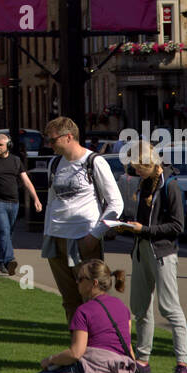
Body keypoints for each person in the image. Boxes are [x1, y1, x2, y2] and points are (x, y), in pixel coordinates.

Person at [115, 140, 187, 373]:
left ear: (150, 163)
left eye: (139, 167)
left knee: (170, 308)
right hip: (141, 251)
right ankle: (142, 360)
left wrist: (144, 229)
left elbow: (178, 226)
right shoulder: (146, 182)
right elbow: (142, 220)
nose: (135, 172)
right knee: (140, 308)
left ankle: (183, 364)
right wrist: (126, 225)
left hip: (162, 253)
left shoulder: (170, 186)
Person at [40, 116, 123, 322]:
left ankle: (98, 346)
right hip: (56, 238)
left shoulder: (94, 162)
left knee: (91, 298)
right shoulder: (55, 162)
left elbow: (116, 204)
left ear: (68, 137)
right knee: (69, 300)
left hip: (83, 238)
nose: (49, 145)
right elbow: (52, 202)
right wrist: (47, 233)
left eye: (52, 140)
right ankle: (78, 347)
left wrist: (94, 235)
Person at [37, 258, 145, 373]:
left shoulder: (83, 311)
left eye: (81, 279)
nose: (77, 282)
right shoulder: (123, 309)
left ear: (94, 283)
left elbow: (76, 353)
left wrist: (51, 359)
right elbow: (128, 347)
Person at [0, 131, 42, 273]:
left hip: (14, 202)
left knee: (8, 234)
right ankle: (10, 260)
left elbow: (26, 181)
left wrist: (36, 199)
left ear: (8, 145)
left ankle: (1, 261)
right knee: (4, 231)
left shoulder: (16, 161)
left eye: (1, 145)